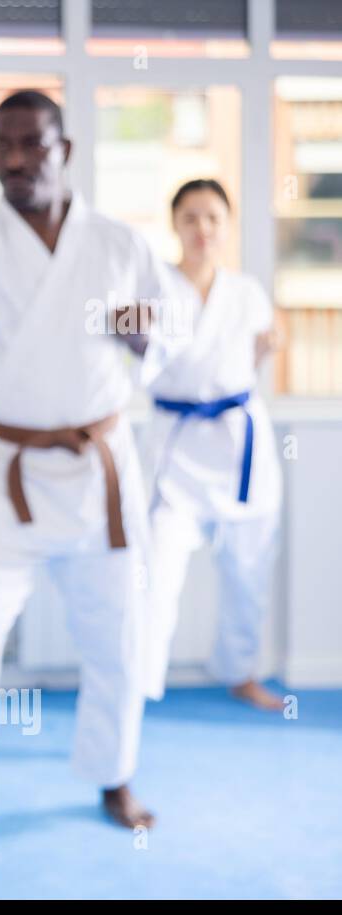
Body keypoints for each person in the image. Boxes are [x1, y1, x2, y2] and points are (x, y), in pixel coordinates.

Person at [0, 90, 177, 831]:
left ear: (68, 150)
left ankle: (113, 775)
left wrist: (145, 334)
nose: (17, 160)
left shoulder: (121, 243)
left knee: (119, 641)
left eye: (33, 144)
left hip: (100, 470)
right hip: (6, 467)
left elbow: (168, 333)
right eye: (3, 146)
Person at [142, 179, 284, 711]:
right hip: (176, 448)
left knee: (248, 572)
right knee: (155, 573)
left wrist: (267, 350)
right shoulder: (153, 288)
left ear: (228, 226)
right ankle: (140, 683)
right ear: (175, 224)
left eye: (213, 218)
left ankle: (242, 672)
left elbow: (250, 359)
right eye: (191, 218)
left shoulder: (246, 291)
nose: (202, 229)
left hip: (240, 448)